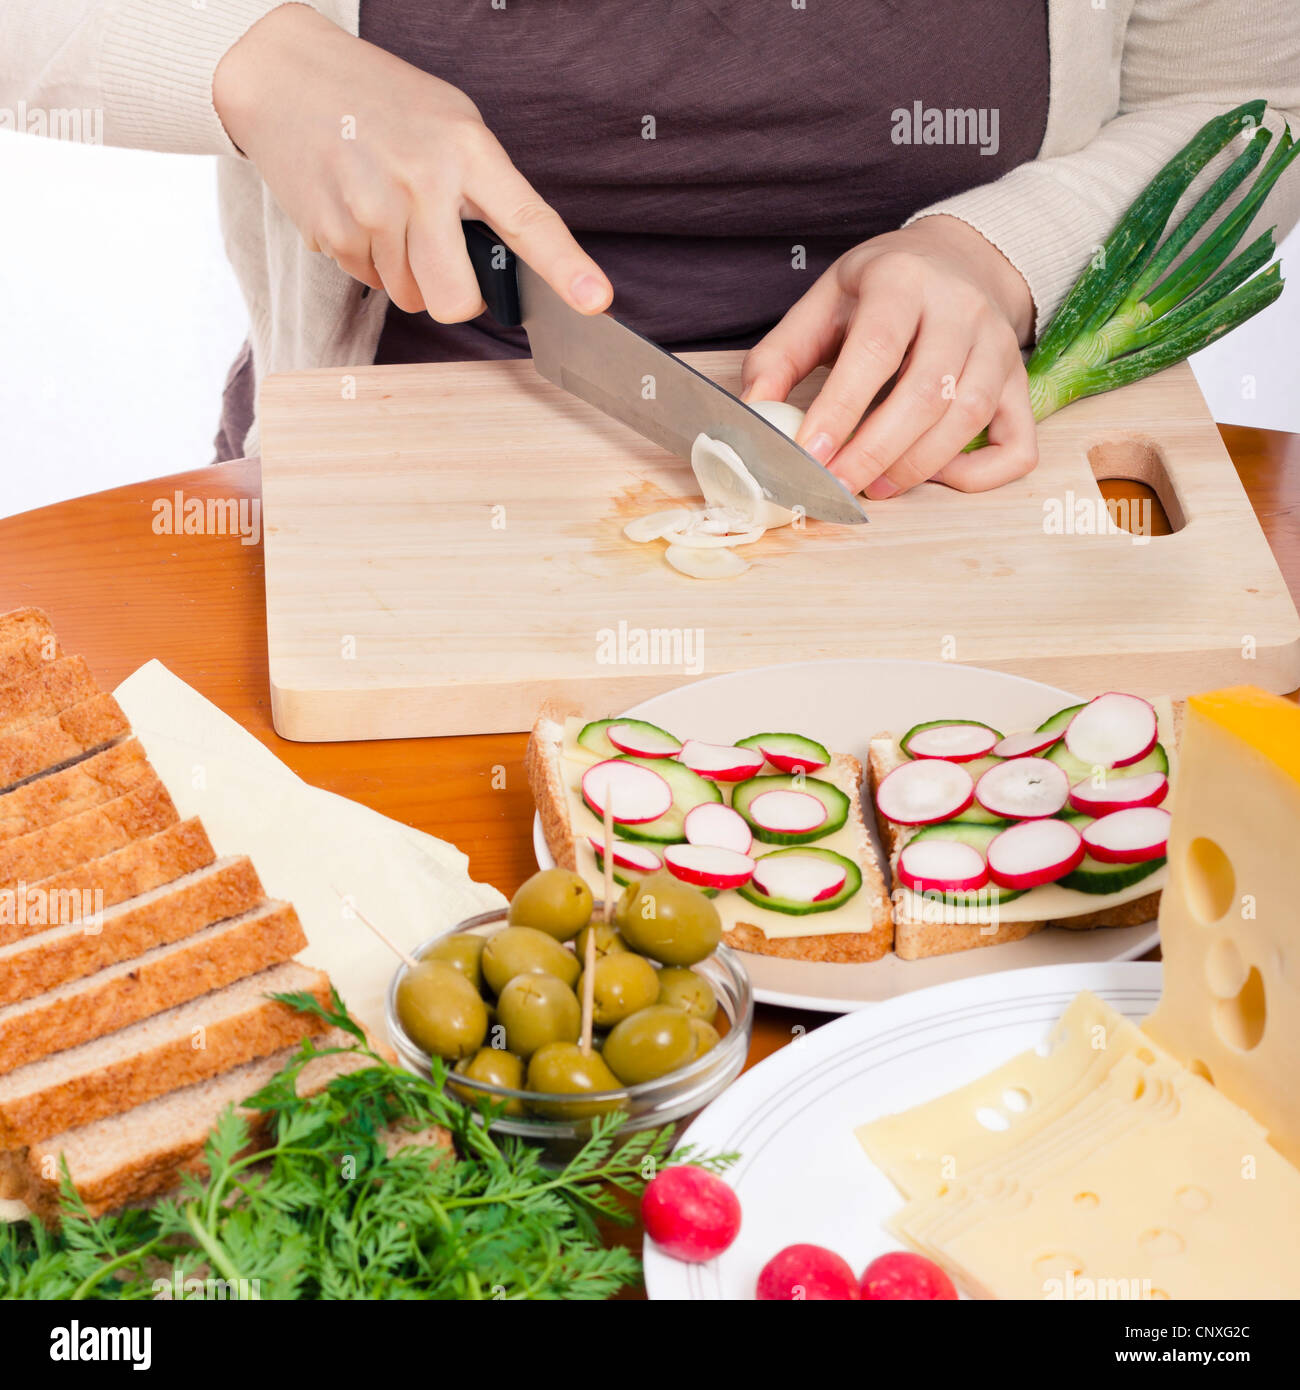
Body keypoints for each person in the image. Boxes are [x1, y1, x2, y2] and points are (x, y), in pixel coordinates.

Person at [4, 2, 1298, 498]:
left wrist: (1003, 256)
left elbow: (1257, 111)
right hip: (386, 496)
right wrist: (251, 59)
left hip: (950, 508)